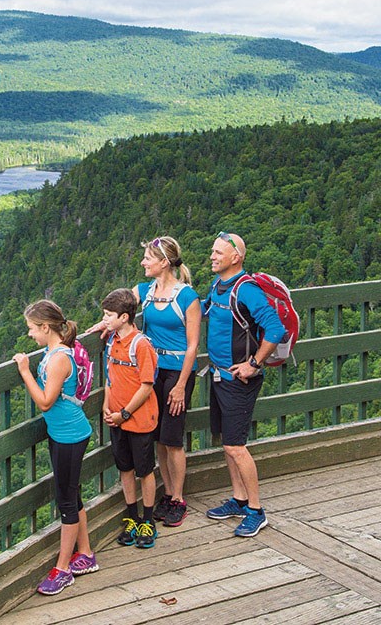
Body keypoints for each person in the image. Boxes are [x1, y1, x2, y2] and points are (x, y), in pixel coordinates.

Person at [203, 232, 288, 537]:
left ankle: (256, 510)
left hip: (239, 380)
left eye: (218, 252)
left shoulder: (246, 289)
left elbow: (275, 328)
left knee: (236, 446)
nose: (212, 256)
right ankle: (239, 500)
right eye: (213, 251)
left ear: (236, 257)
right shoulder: (218, 285)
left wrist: (254, 364)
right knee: (228, 442)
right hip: (220, 375)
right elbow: (202, 310)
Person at [12, 300, 98, 595]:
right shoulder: (54, 351)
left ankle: (63, 570)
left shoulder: (59, 358)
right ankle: (85, 553)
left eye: (32, 328)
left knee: (66, 501)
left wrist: (25, 371)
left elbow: (46, 401)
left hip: (70, 436)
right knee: (72, 494)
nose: (30, 334)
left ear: (46, 327)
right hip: (62, 433)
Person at [134, 236, 201, 528]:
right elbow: (120, 306)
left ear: (163, 262)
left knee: (172, 439)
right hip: (153, 371)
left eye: (148, 258)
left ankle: (178, 499)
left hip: (176, 372)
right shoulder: (145, 291)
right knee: (159, 436)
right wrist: (103, 323)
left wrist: (181, 385)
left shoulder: (187, 297)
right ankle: (168, 492)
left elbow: (193, 345)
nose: (143, 263)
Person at [97, 288, 160, 548]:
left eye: (109, 315)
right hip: (116, 417)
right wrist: (106, 404)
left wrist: (124, 414)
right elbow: (110, 377)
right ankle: (132, 517)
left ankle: (148, 520)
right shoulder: (112, 340)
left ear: (124, 317)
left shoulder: (140, 345)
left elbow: (147, 386)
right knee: (125, 468)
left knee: (144, 470)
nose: (105, 319)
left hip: (138, 419)